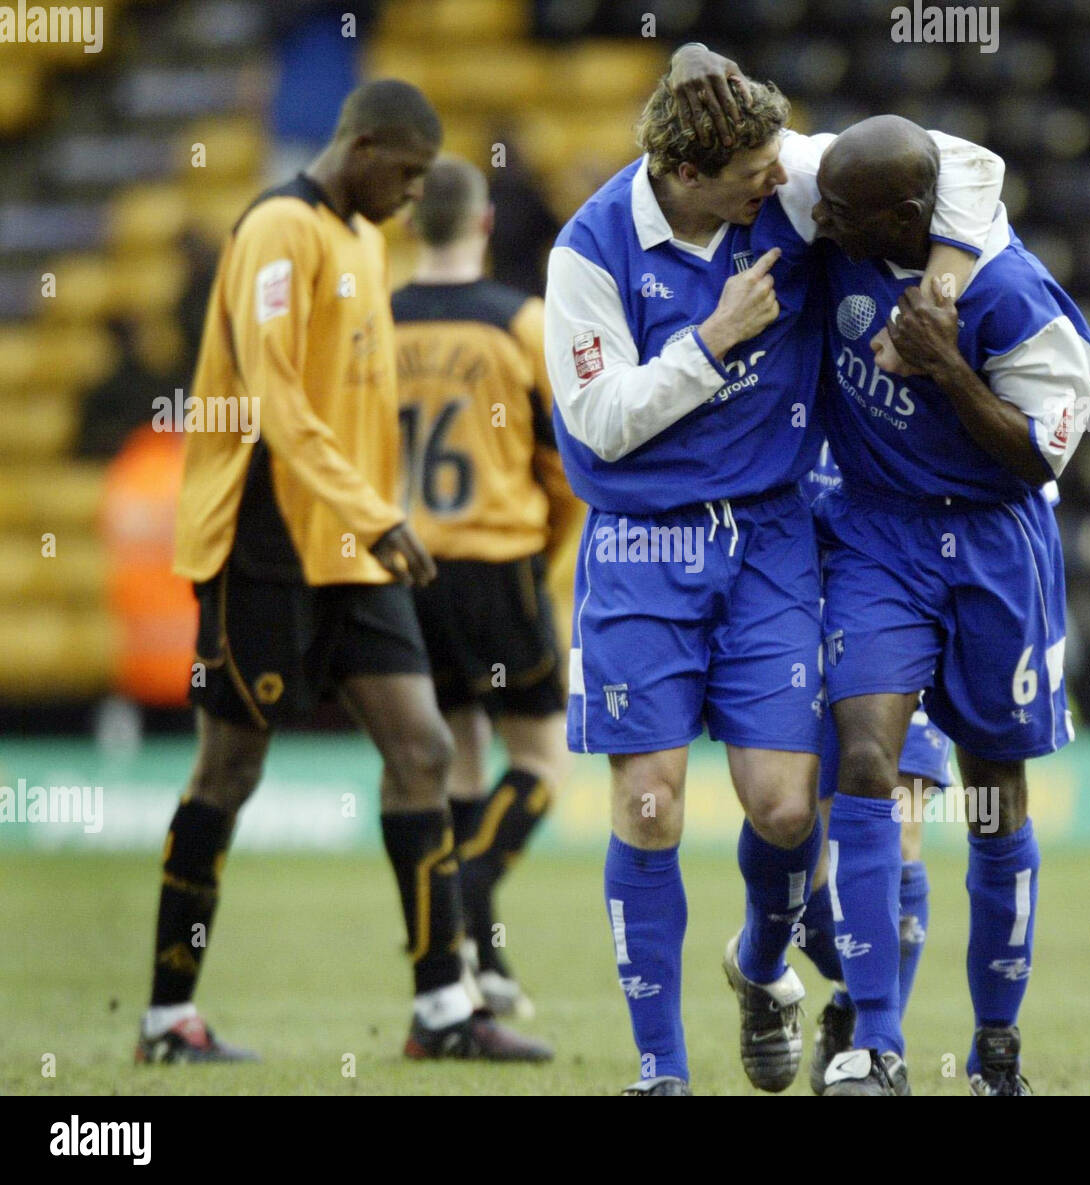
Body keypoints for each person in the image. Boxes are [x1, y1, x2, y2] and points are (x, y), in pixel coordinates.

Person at [543, 45, 1004, 1095]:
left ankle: (761, 968)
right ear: (688, 175)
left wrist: (938, 291)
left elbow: (968, 168)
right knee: (651, 807)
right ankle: (661, 1071)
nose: (779, 177)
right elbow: (602, 422)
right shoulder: (589, 251)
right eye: (755, 169)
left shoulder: (783, 178)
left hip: (770, 533)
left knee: (789, 811)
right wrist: (711, 341)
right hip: (640, 543)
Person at [135, 79, 548, 1066]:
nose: (413, 197)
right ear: (361, 147)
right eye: (404, 175)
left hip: (352, 549)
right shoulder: (281, 230)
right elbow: (276, 403)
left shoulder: (366, 241)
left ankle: (443, 1008)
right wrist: (374, 512)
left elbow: (352, 413)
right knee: (228, 771)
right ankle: (166, 1017)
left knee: (421, 750)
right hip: (266, 541)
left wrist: (372, 518)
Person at [810, 116, 1090, 1096]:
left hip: (991, 541)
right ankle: (876, 1044)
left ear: (904, 214)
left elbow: (1040, 452)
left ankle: (995, 1043)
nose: (826, 224)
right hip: (877, 533)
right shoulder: (840, 231)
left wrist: (947, 366)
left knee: (991, 799)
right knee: (864, 761)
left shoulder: (1012, 295)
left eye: (847, 216)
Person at [390, 155, 581, 1018]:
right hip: (497, 563)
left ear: (407, 223)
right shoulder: (521, 323)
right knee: (540, 764)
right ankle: (463, 909)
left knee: (458, 764)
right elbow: (570, 467)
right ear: (484, 224)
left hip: (402, 570)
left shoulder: (373, 326)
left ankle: (482, 967)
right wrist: (547, 562)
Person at [797, 442, 953, 1094]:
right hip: (804, 619)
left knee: (901, 826)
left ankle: (875, 1045)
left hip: (907, 606)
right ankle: (844, 991)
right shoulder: (801, 359)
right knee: (810, 880)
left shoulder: (926, 359)